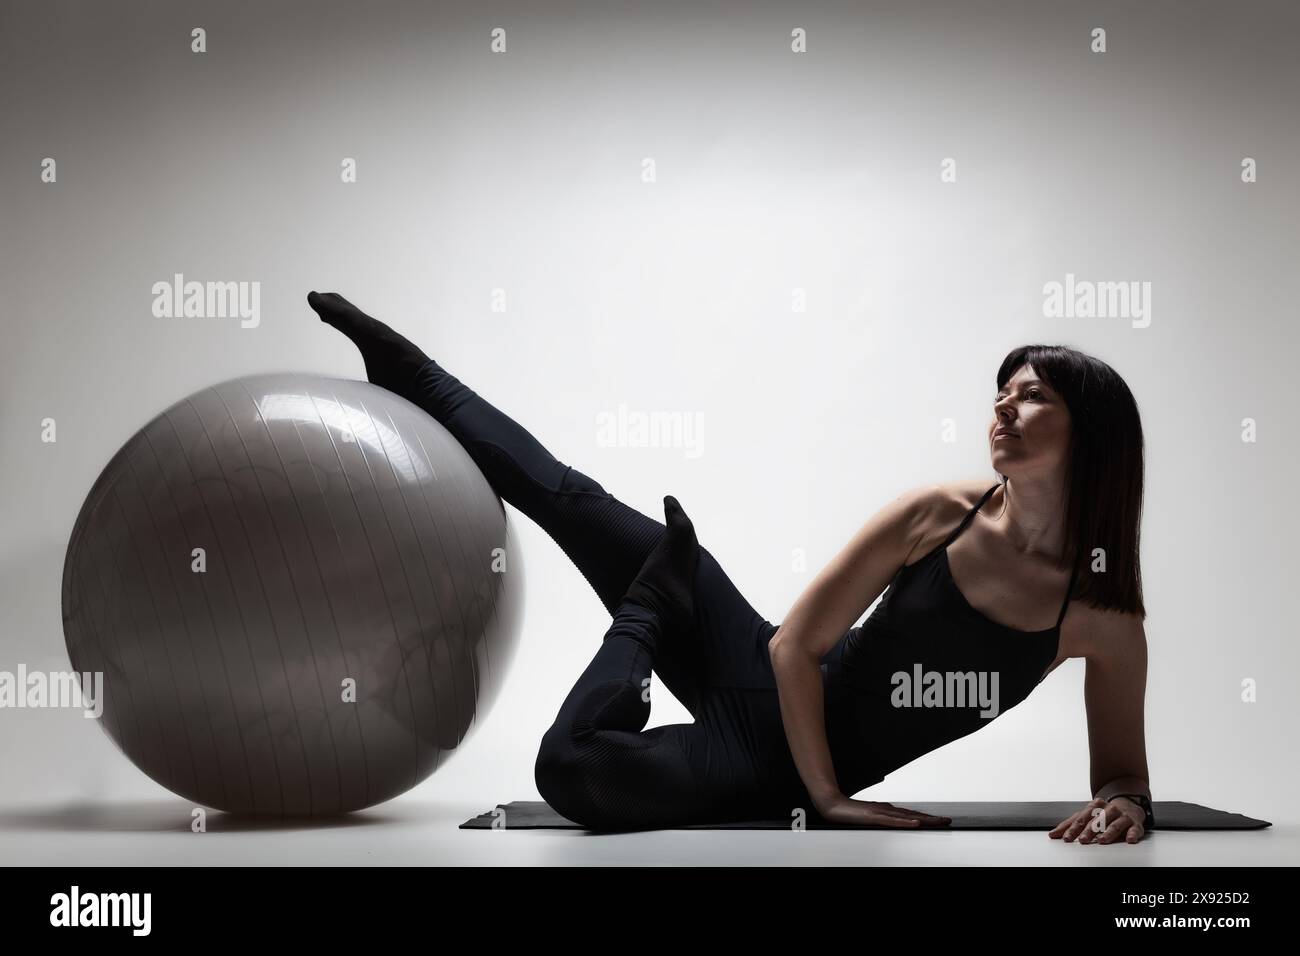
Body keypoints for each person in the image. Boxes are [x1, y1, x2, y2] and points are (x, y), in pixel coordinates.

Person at [307, 291, 1152, 843]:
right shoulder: (939, 512)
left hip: (759, 762)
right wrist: (830, 802)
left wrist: (1125, 805)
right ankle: (415, 377)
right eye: (1001, 391)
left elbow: (1124, 777)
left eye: (1033, 394)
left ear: (1094, 433)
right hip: (758, 664)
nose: (1003, 404)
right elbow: (793, 649)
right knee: (573, 499)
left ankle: (647, 611)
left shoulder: (1102, 619)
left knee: (568, 772)